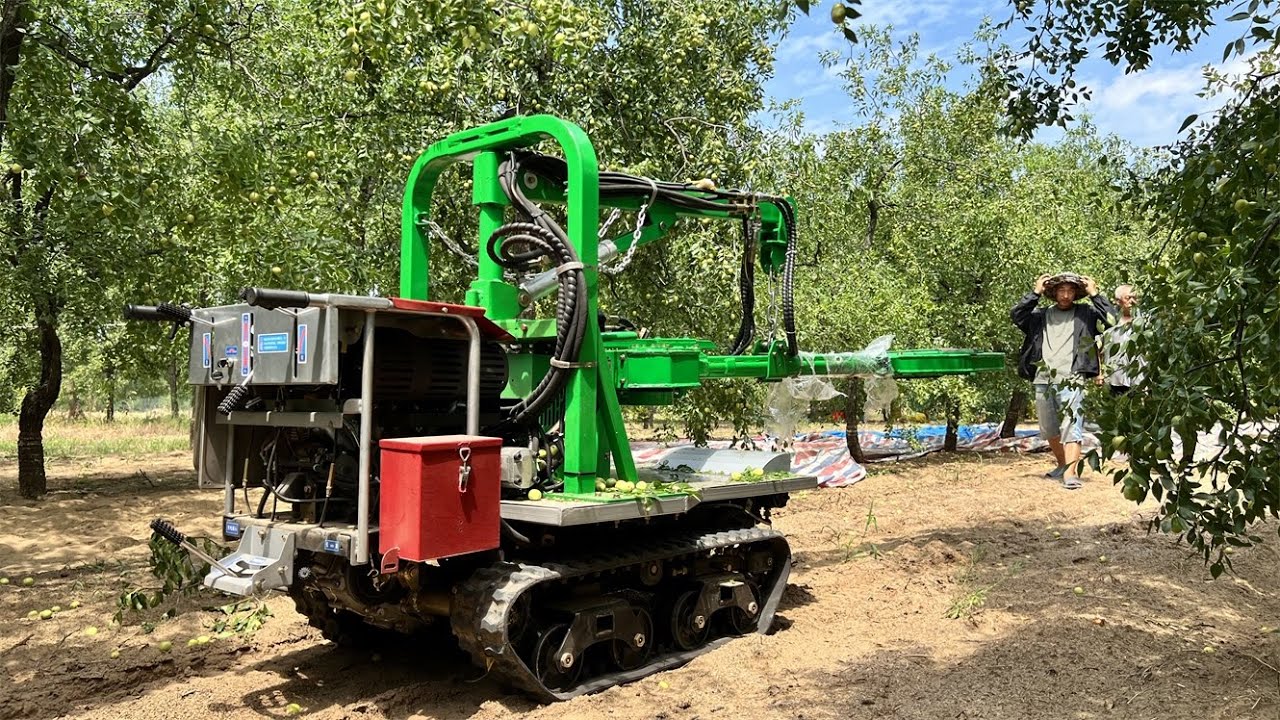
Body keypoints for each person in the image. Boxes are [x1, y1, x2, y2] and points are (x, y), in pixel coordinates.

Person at [1011, 272, 1116, 489]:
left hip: (1073, 376)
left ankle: (1071, 473)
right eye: (1061, 290)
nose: (1066, 295)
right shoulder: (1040, 316)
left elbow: (1112, 320)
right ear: (1054, 293)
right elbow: (1017, 315)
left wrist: (1095, 294)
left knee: (1072, 425)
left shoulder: (1086, 313)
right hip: (1043, 378)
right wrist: (1035, 292)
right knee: (1048, 428)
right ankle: (1062, 464)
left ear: (1076, 293)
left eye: (1070, 291)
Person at [1101, 284, 1142, 396]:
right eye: (1128, 298)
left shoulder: (1146, 321)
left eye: (1135, 298)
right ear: (1118, 301)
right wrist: (1099, 373)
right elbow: (1098, 347)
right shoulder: (1110, 323)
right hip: (1116, 380)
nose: (1132, 301)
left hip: (1140, 380)